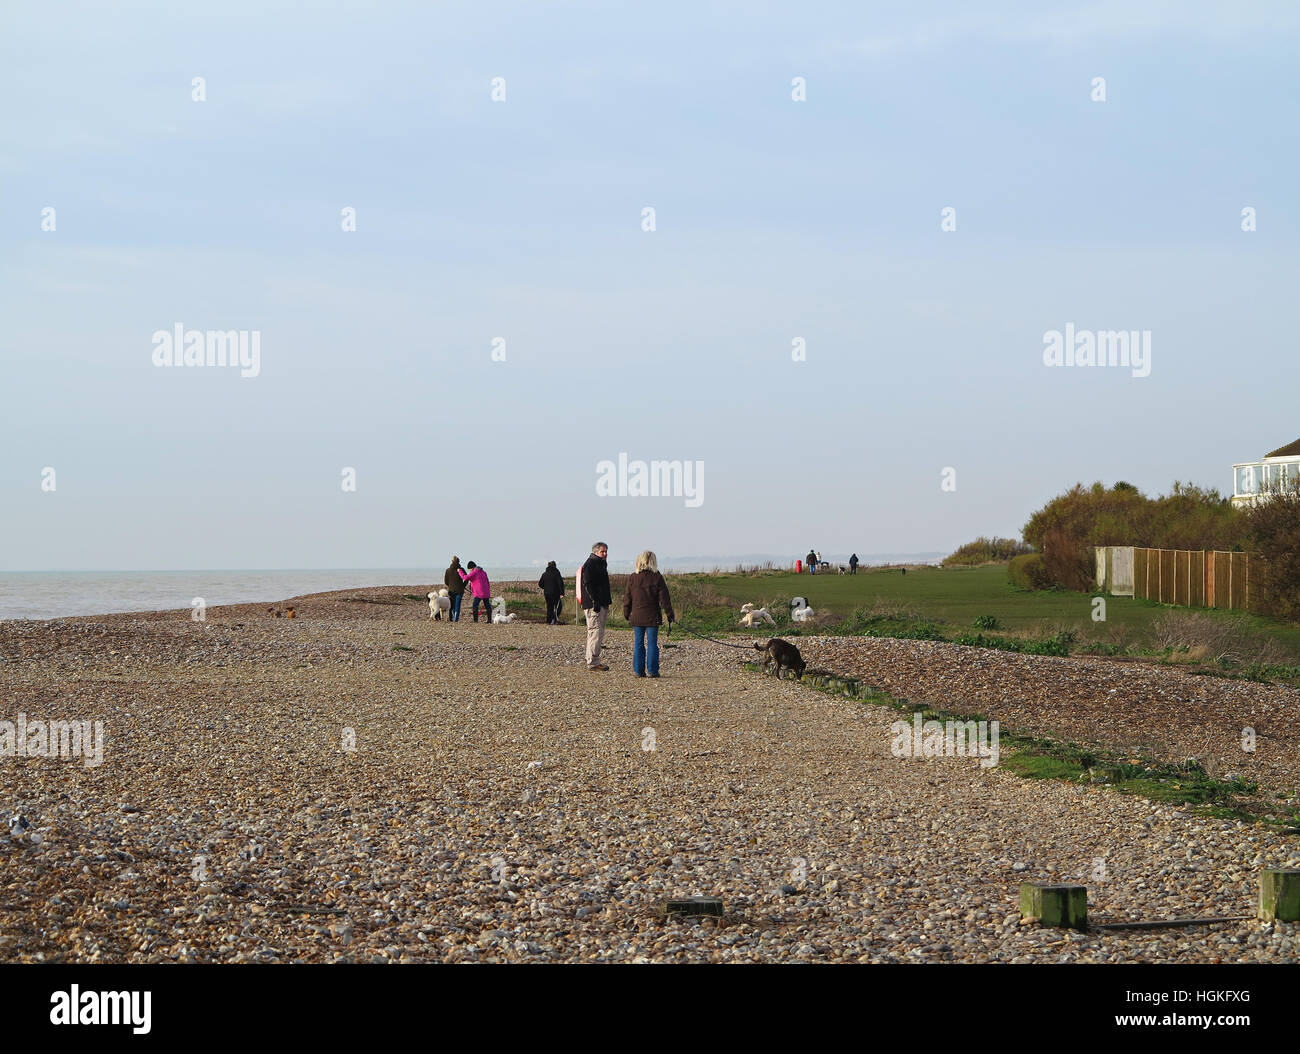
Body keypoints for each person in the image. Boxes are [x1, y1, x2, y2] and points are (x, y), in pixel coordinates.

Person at [623, 550, 674, 678]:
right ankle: (652, 671)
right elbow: (665, 599)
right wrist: (669, 614)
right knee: (652, 644)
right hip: (652, 616)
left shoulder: (633, 577)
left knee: (638, 644)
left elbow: (627, 598)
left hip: (637, 616)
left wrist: (626, 612)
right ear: (653, 562)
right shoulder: (657, 577)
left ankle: (639, 671)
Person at [580, 541, 612, 671]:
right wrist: (595, 601)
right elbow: (588, 584)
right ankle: (593, 661)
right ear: (595, 552)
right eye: (602, 551)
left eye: (606, 551)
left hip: (601, 602)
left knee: (596, 632)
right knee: (595, 632)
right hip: (594, 604)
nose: (605, 554)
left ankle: (592, 658)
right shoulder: (591, 564)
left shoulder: (600, 564)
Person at [444, 556, 466, 622]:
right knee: (457, 605)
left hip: (451, 590)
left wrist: (450, 585)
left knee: (451, 605)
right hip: (460, 590)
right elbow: (466, 578)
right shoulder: (461, 569)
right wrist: (463, 585)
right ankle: (456, 619)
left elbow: (446, 581)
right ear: (459, 562)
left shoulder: (448, 570)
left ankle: (451, 618)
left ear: (452, 561)